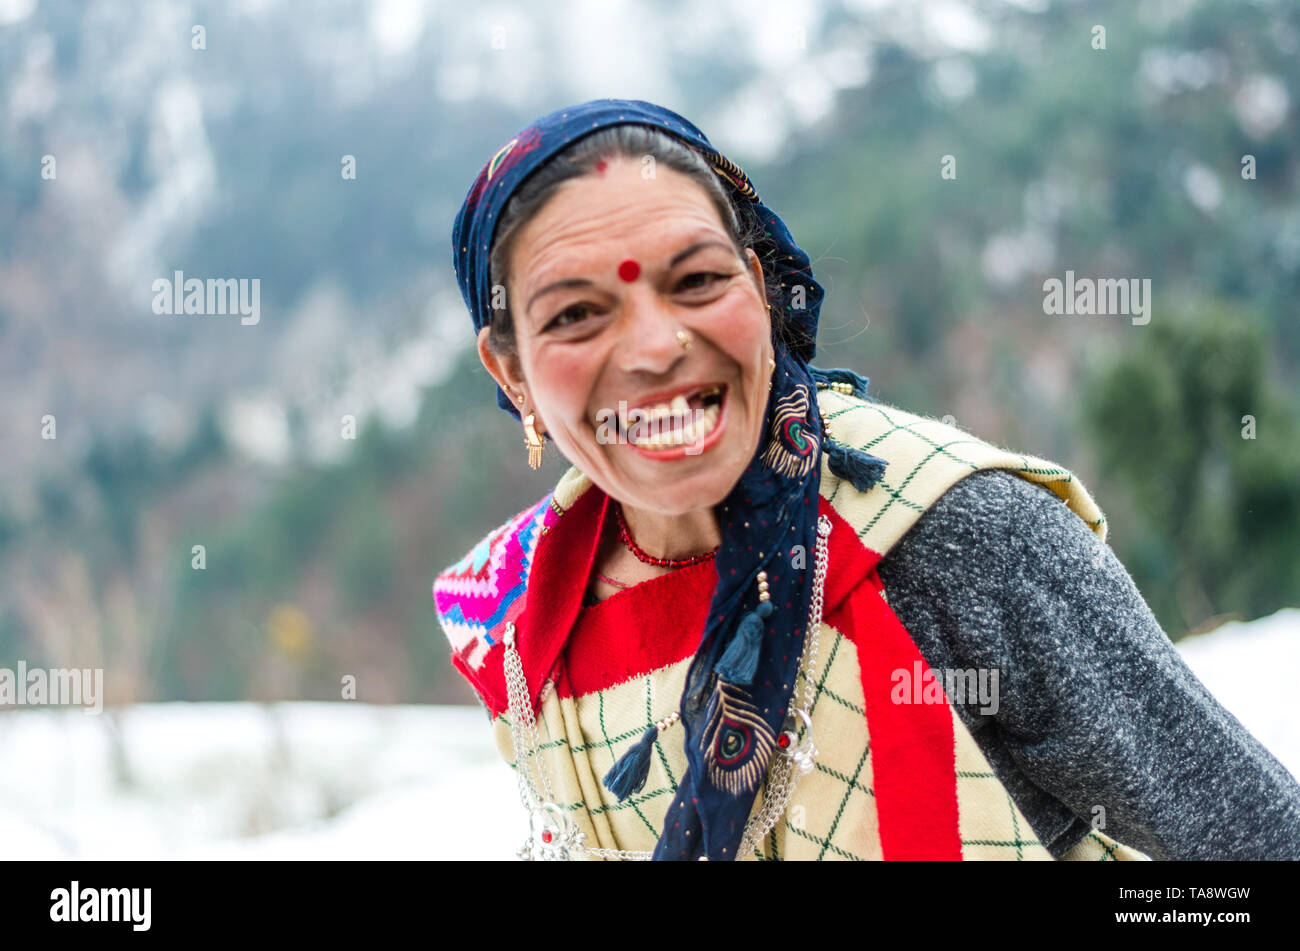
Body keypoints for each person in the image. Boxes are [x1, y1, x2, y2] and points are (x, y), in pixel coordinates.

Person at [433, 98, 1300, 861]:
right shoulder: (521, 623)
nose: (657, 347)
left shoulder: (957, 537)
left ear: (761, 289)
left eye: (696, 279)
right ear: (510, 373)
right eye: (577, 314)